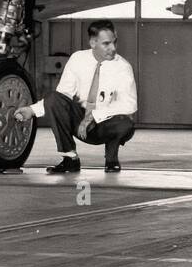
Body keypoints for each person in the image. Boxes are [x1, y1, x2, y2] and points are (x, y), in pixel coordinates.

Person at [14, 19, 137, 174]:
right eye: (106, 44)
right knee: (54, 99)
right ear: (93, 43)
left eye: (114, 42)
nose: (112, 48)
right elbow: (62, 95)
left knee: (125, 123)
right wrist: (32, 110)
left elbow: (129, 104)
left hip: (105, 124)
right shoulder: (78, 59)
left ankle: (111, 159)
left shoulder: (123, 68)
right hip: (80, 122)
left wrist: (93, 115)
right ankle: (69, 159)